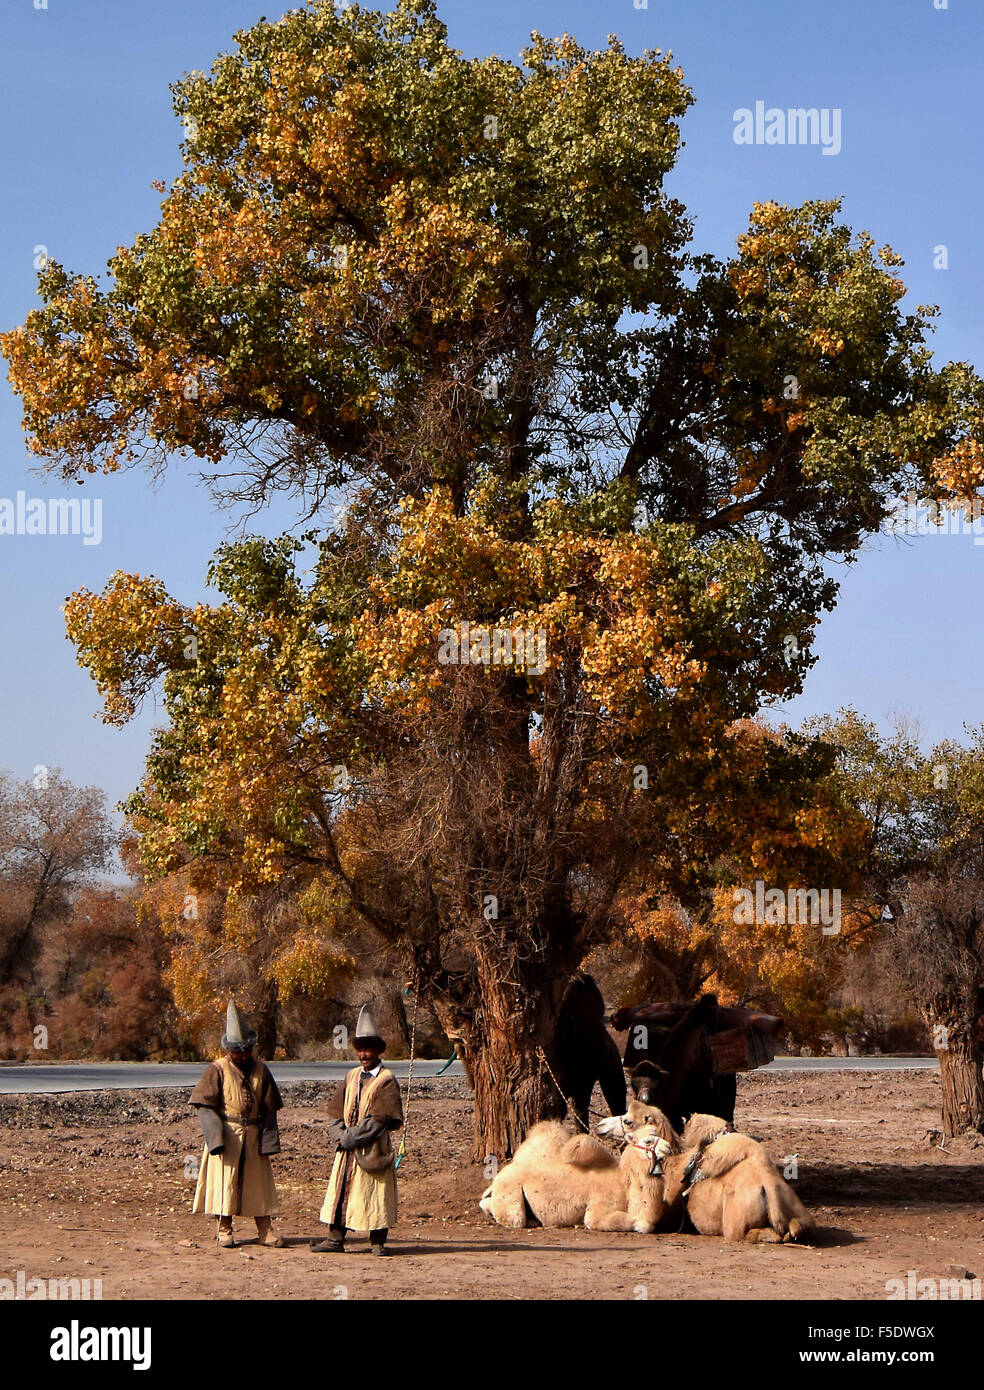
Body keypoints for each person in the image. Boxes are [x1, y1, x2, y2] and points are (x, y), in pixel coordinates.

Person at [189, 999, 284, 1248]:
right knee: (225, 1182)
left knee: (258, 1184)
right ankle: (224, 1229)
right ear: (229, 1050)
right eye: (237, 1050)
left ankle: (265, 1230)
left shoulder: (261, 1070)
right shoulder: (217, 1069)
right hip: (228, 1134)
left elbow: (269, 1108)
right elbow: (205, 1106)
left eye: (245, 1050)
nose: (241, 1055)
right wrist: (215, 1139)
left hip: (253, 1133)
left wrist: (269, 1140)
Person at [312, 1005, 403, 1256]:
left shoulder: (387, 1080)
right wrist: (338, 1135)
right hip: (346, 1148)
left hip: (373, 1148)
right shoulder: (351, 1076)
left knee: (375, 1194)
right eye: (360, 1049)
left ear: (377, 1050)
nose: (364, 1054)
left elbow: (379, 1120)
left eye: (368, 1049)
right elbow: (335, 1111)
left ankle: (377, 1242)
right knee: (340, 1193)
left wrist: (349, 1138)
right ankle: (334, 1239)